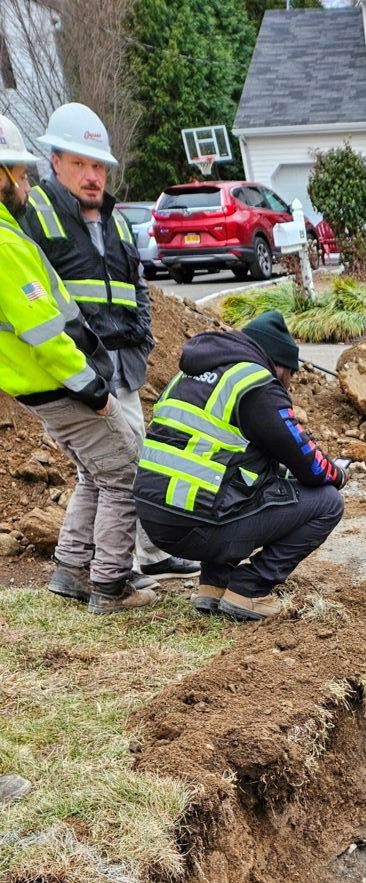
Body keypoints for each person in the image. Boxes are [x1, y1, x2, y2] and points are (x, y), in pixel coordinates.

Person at [21, 102, 198, 580]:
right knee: (125, 467)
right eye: (79, 163)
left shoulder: (116, 220)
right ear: (55, 161)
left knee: (107, 469)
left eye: (97, 165)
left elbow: (137, 286)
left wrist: (143, 341)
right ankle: (115, 569)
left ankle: (101, 562)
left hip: (122, 366)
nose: (91, 175)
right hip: (77, 371)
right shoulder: (35, 214)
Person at [0, 114, 157, 615]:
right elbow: (41, 327)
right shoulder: (11, 239)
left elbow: (135, 285)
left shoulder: (19, 231)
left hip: (63, 379)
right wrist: (89, 385)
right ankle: (112, 585)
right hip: (67, 380)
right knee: (126, 472)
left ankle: (70, 569)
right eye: (18, 174)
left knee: (97, 471)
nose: (25, 182)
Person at [133, 311, 346, 622]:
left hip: (155, 521)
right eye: (290, 375)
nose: (287, 384)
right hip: (195, 528)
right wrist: (337, 473)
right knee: (327, 503)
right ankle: (250, 589)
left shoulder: (189, 375)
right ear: (280, 364)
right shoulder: (254, 384)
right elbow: (307, 464)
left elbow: (230, 457)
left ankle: (214, 585)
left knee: (237, 482)